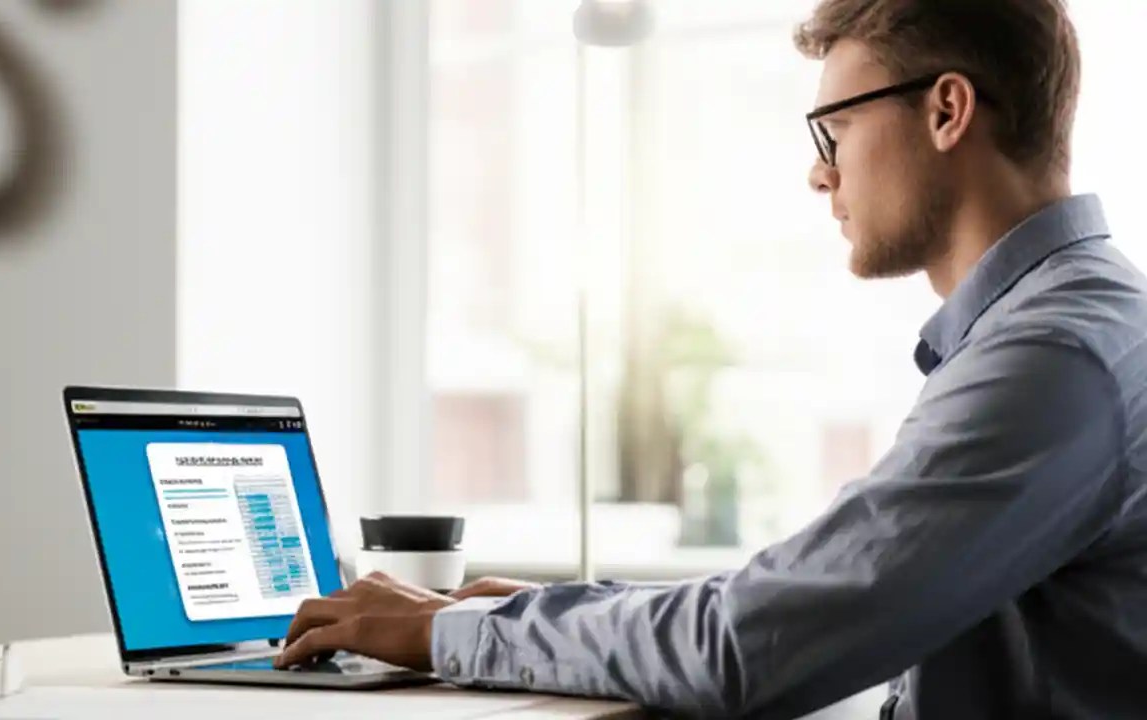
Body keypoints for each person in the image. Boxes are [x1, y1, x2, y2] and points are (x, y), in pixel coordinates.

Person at [275, 1, 1147, 717]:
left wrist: (441, 637)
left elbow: (751, 645)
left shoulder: (1053, 359)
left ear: (947, 110)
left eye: (833, 128)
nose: (820, 173)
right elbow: (808, 595)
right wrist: (543, 613)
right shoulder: (1074, 327)